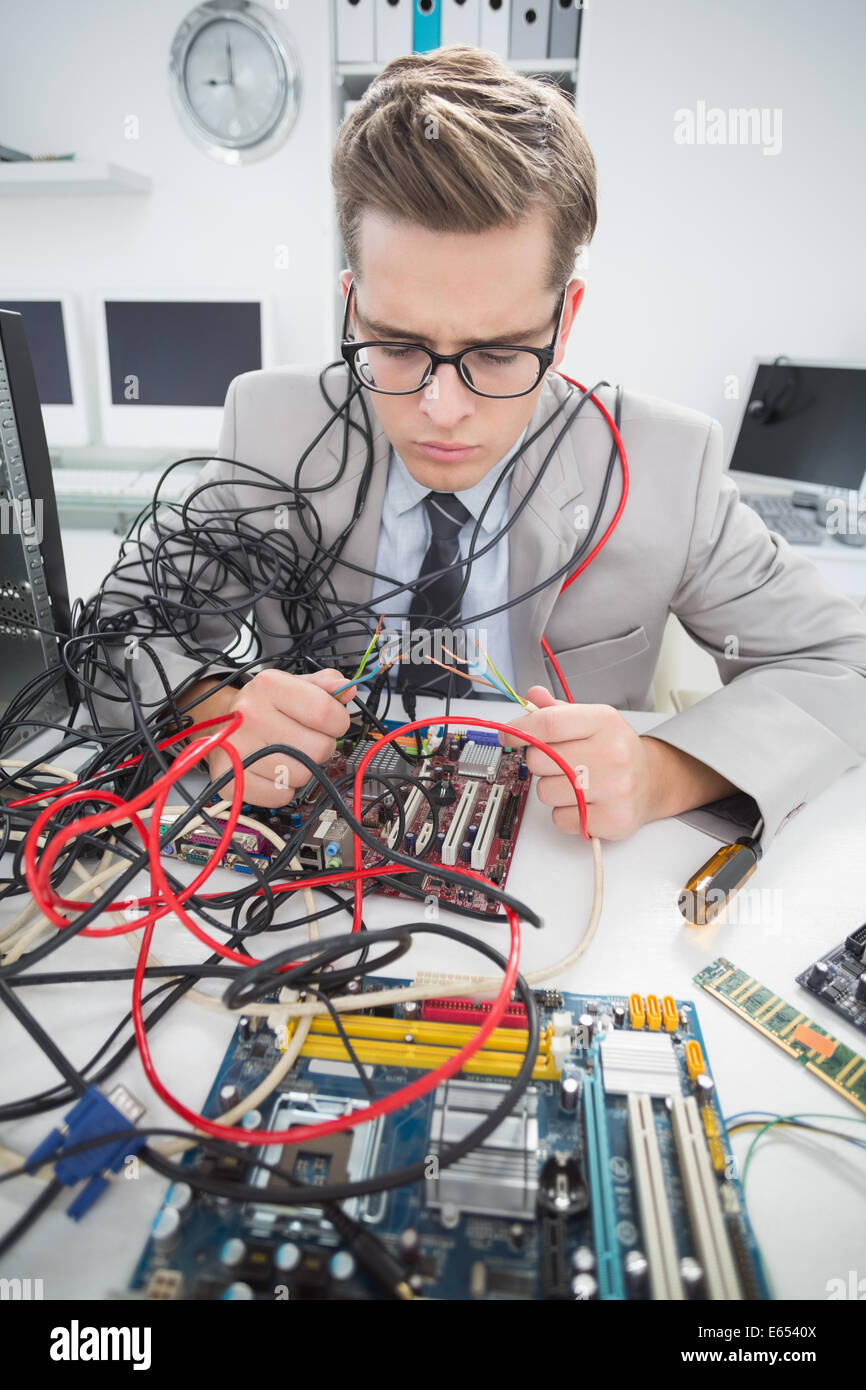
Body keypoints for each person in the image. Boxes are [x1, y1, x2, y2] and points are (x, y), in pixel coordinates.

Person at [89, 46, 866, 844]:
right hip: (310, 865)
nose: (442, 409)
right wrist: (211, 713)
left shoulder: (670, 466)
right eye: (395, 345)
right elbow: (115, 635)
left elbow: (844, 664)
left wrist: (665, 769)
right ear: (352, 310)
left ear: (564, 323)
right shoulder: (271, 425)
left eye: (496, 354)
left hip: (562, 866)